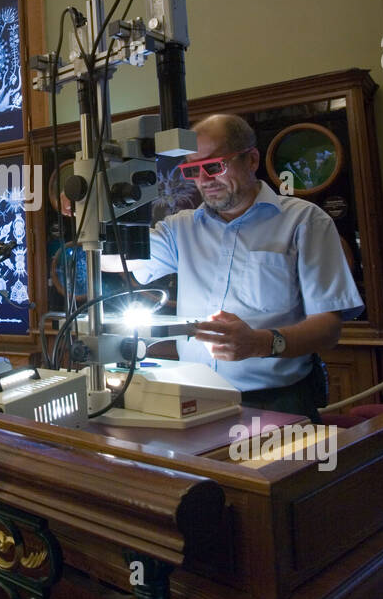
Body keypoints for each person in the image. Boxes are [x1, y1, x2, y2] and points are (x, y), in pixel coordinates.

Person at [134, 114, 363, 421]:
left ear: (252, 159)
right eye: (192, 170)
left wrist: (259, 343)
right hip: (195, 398)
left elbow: (328, 328)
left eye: (214, 166)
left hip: (277, 402)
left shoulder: (304, 222)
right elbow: (116, 258)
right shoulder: (180, 230)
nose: (203, 180)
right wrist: (86, 208)